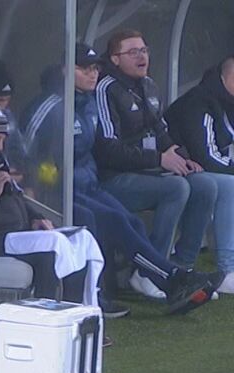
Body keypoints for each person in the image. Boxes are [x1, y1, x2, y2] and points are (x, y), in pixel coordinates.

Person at [26, 44, 218, 316]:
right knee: (110, 221)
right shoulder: (50, 105)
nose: (92, 74)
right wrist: (38, 184)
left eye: (95, 68)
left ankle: (168, 281)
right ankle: (170, 279)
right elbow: (24, 149)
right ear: (66, 70)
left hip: (86, 186)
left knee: (131, 221)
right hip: (56, 194)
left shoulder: (87, 103)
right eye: (84, 69)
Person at [95, 29, 230, 293]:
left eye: (144, 50)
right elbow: (106, 149)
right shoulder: (106, 88)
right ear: (114, 59)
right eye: (132, 52)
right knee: (176, 188)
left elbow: (159, 129)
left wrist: (180, 156)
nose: (141, 56)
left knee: (204, 184)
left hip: (148, 172)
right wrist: (159, 158)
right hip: (113, 178)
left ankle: (182, 268)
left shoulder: (148, 85)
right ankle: (150, 273)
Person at [0, 106, 103, 305]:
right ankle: (44, 323)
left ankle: (80, 315)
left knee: (80, 240)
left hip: (16, 235)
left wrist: (35, 217)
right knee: (49, 250)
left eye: (2, 140)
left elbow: (16, 195)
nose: (0, 147)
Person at [165, 56, 234, 294]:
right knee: (228, 185)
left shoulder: (226, 101)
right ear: (226, 77)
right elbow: (206, 156)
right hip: (179, 169)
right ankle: (227, 268)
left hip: (196, 170)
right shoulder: (200, 101)